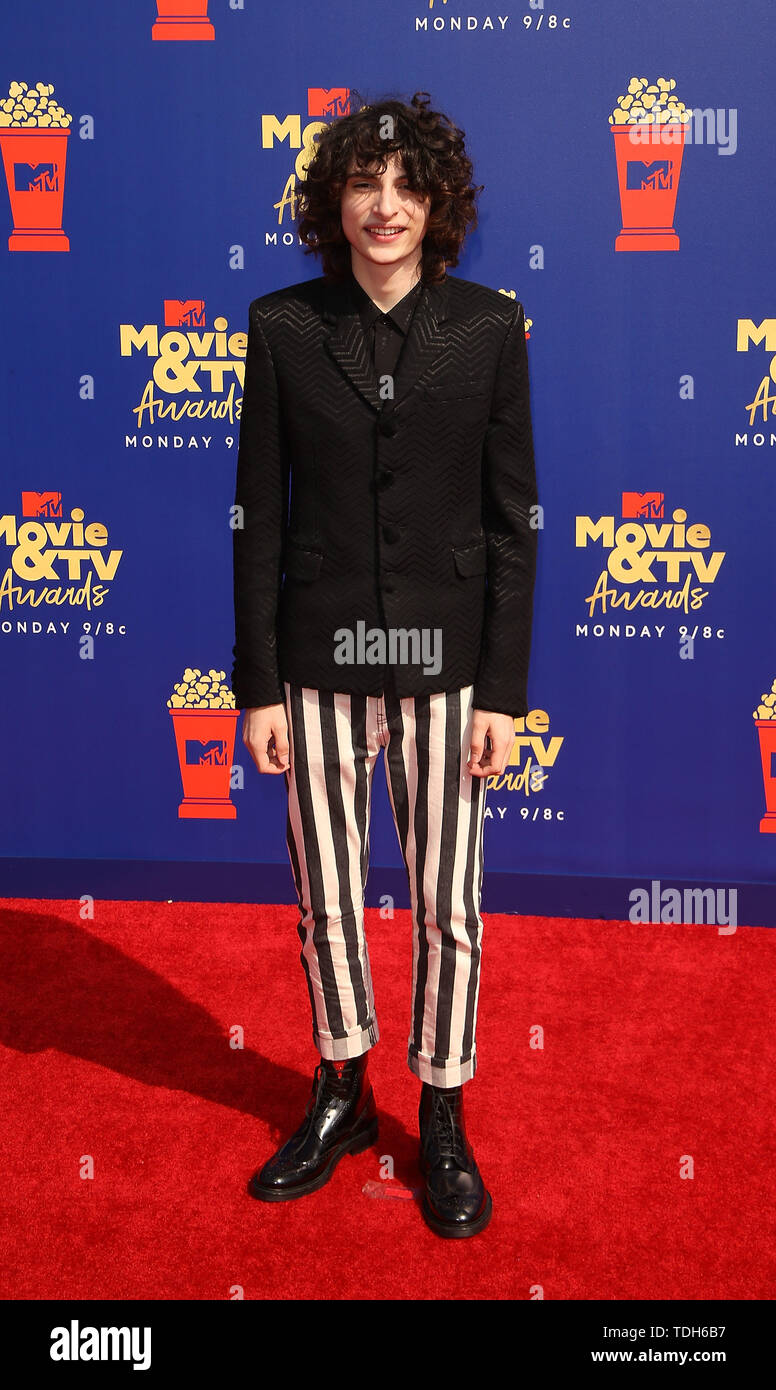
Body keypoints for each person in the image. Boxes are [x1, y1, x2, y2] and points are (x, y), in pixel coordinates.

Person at [231, 90, 539, 1238]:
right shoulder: (281, 325)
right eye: (364, 182)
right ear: (333, 200)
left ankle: (442, 1104)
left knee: (448, 903)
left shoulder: (490, 325)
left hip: (450, 664)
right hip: (314, 661)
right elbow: (258, 516)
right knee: (326, 899)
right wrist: (254, 682)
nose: (385, 205)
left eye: (407, 186)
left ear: (437, 204)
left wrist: (502, 693)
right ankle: (341, 1087)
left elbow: (515, 522)